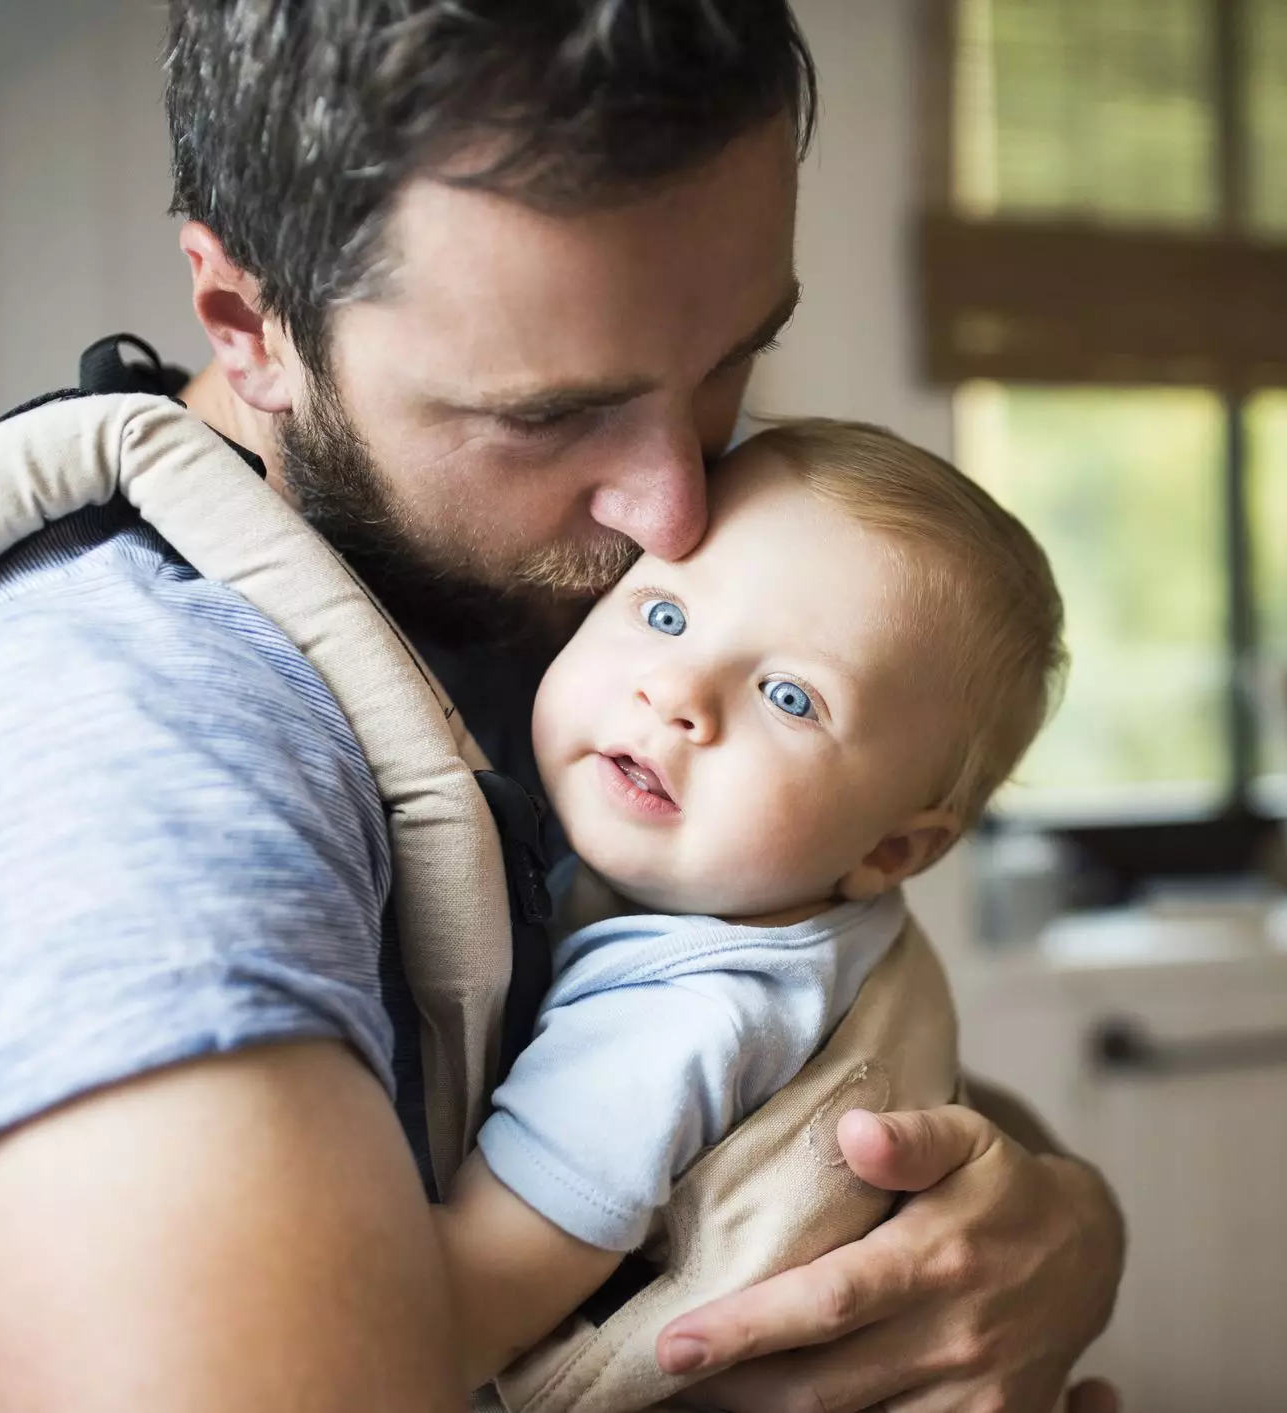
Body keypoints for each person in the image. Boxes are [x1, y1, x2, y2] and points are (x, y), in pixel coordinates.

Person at [0, 4, 1125, 1410]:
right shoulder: (122, 759)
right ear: (246, 322)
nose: (671, 505)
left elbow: (761, 1046)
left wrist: (1053, 1225)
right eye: (548, 414)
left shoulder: (574, 616)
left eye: (728, 363)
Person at [430, 418, 1065, 1390]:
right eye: (667, 616)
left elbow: (453, 1315)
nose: (678, 691)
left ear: (890, 849)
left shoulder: (678, 1021)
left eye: (789, 697)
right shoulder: (792, 919)